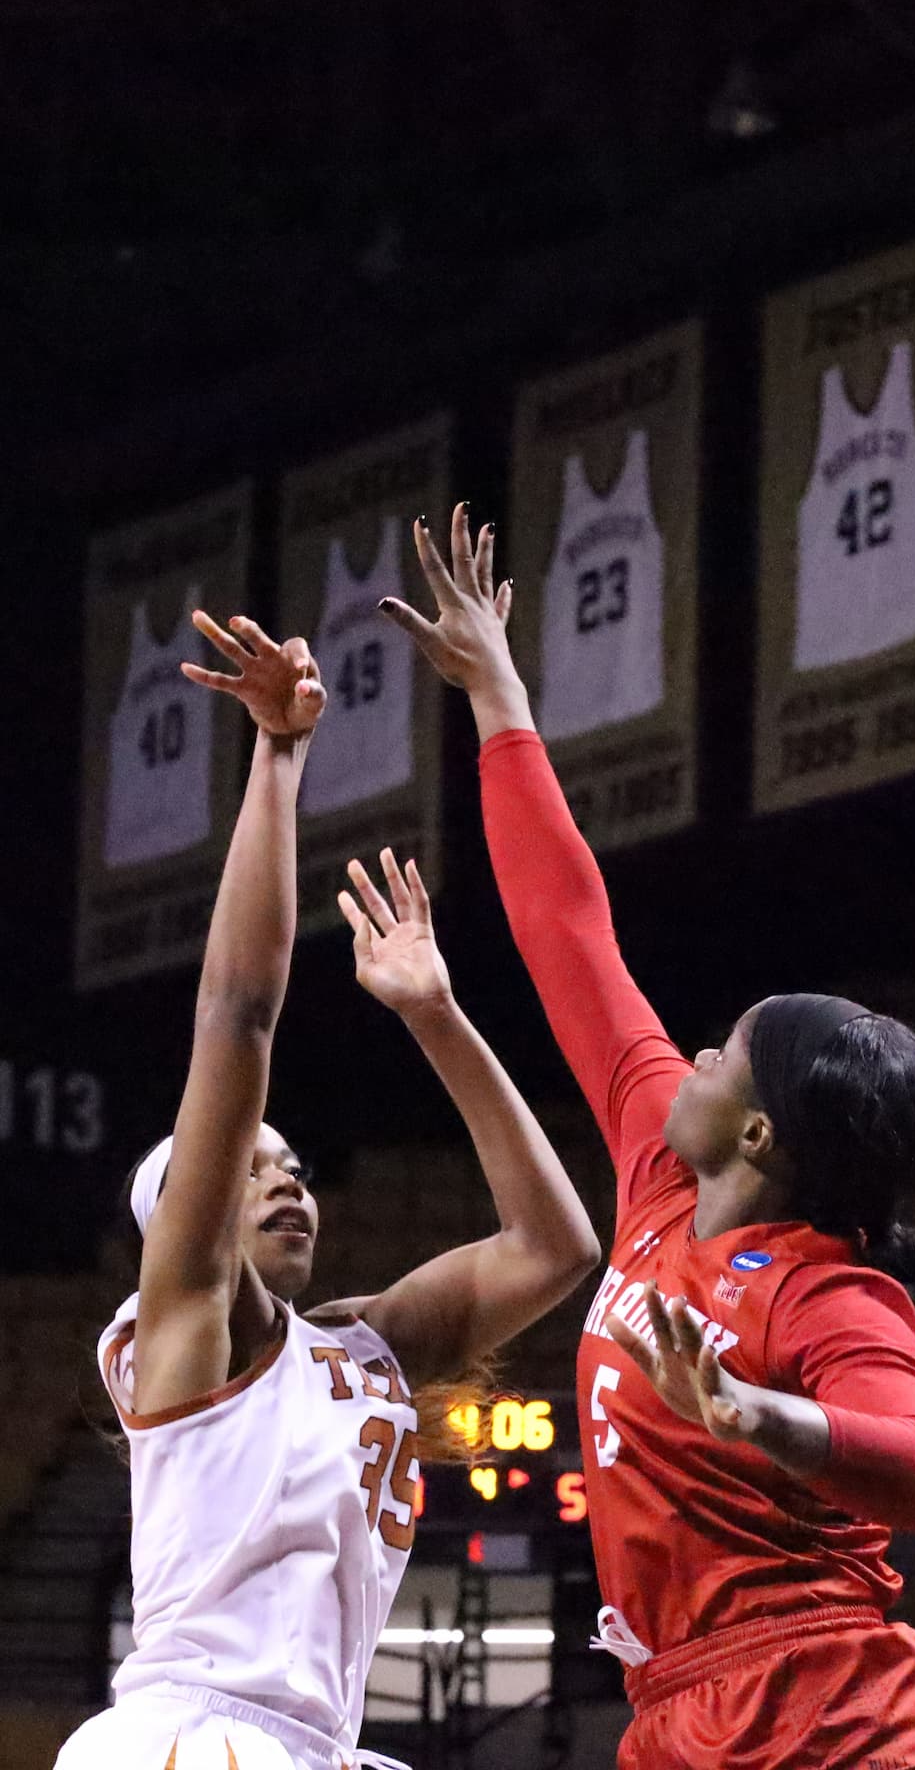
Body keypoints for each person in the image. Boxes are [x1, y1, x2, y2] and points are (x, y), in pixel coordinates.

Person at [378, 506, 915, 1770]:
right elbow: (571, 931)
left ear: (766, 1131)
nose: (695, 1053)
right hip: (684, 1715)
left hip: (845, 1717)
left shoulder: (831, 1296)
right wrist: (499, 698)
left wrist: (749, 1411)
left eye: (721, 1051)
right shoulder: (662, 1172)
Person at [57, 610, 600, 1770]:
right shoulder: (189, 1326)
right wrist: (278, 759)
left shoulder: (362, 1349)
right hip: (192, 1739)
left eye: (294, 1166)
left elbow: (555, 1244)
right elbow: (237, 1015)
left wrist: (437, 1017)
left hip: (319, 1745)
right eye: (248, 1166)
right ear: (182, 1223)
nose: (284, 1179)